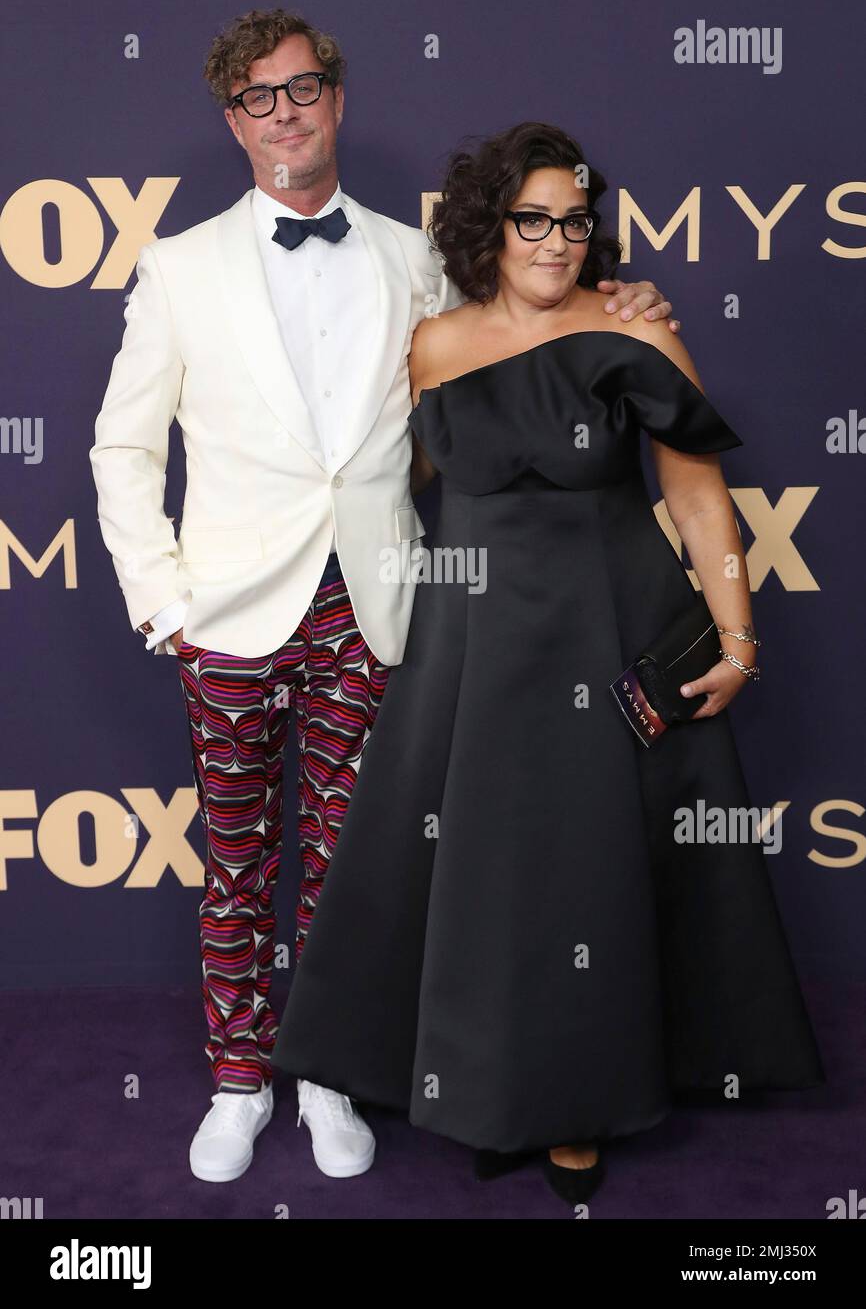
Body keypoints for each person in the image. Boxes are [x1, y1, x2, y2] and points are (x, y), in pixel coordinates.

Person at [88, 12, 674, 1186]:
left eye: (303, 87)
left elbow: (526, 322)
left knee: (357, 861)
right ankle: (240, 1078)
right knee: (241, 857)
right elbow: (120, 448)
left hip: (379, 601)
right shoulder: (180, 266)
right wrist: (165, 603)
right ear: (232, 120)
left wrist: (626, 313)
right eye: (258, 97)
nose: (284, 112)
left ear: (338, 98)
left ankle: (332, 1076)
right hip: (231, 612)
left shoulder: (413, 259)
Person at [272, 121, 825, 1207]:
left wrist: (738, 638)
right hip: (470, 646)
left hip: (605, 628)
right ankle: (486, 1092)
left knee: (582, 875)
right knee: (485, 879)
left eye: (574, 221)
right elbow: (382, 475)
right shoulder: (430, 343)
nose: (557, 242)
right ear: (490, 225)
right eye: (533, 220)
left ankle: (576, 1106)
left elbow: (697, 495)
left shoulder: (638, 333)